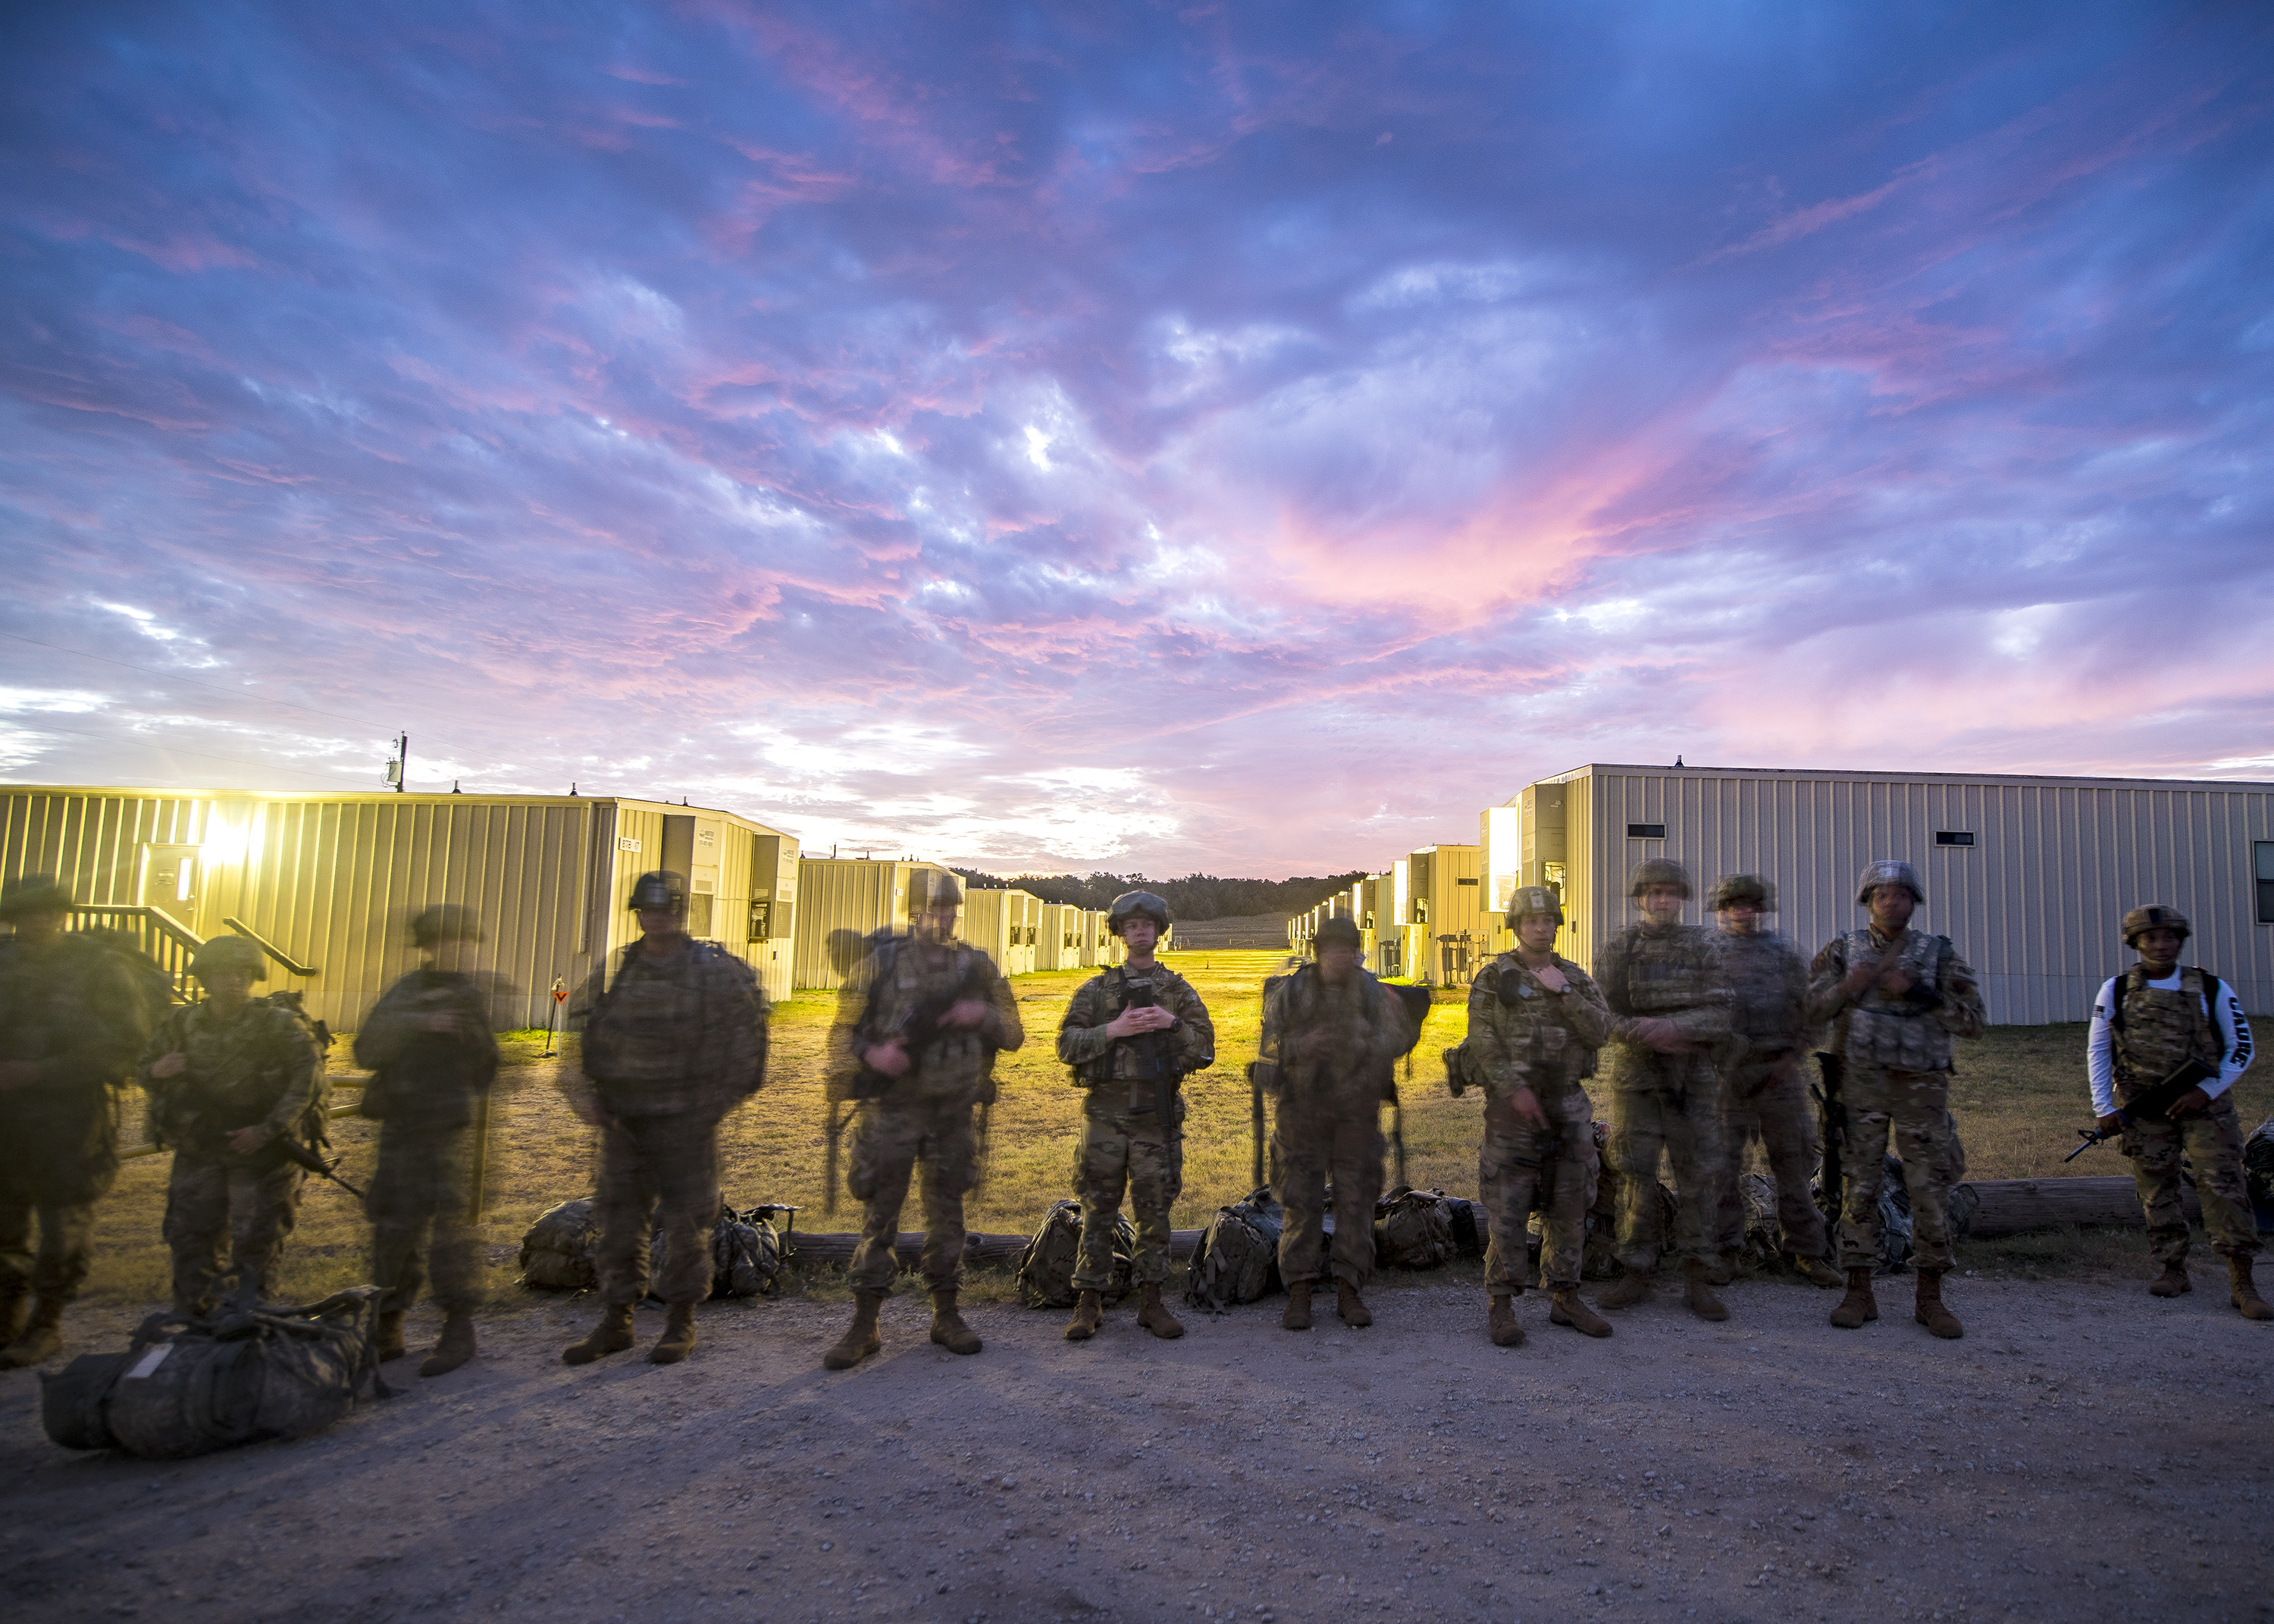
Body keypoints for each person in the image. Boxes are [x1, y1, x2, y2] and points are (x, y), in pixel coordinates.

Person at [561, 871, 769, 1367]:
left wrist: (713, 1106)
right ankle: (617, 1320)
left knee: (686, 1225)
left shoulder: (712, 969)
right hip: (624, 1123)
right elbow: (581, 1033)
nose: (657, 918)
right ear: (639, 914)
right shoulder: (621, 967)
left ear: (680, 912)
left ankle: (680, 1321)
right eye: (647, 910)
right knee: (617, 1221)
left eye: (666, 909)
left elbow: (749, 1045)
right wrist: (582, 1095)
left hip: (685, 1124)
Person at [823, 873, 1023, 1369]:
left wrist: (982, 1015)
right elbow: (840, 1037)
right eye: (931, 909)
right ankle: (864, 1324)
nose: (941, 917)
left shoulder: (976, 967)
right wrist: (875, 1053)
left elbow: (1015, 1033)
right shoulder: (880, 965)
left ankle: (947, 1315)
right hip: (891, 1112)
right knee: (878, 1220)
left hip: (952, 1113)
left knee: (947, 1218)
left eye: (949, 909)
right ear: (913, 912)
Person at [1806, 860, 1984, 1338]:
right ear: (1868, 901)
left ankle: (1930, 1296)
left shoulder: (1938, 953)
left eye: (1901, 894)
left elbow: (1974, 1020)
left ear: (1914, 901)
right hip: (1861, 1083)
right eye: (1882, 894)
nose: (1892, 902)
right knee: (1858, 1186)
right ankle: (1858, 1289)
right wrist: (1849, 985)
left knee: (1928, 1187)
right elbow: (1808, 1009)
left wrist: (1919, 992)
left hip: (1921, 1086)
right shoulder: (1843, 950)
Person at [0, 875, 154, 1368]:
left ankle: (46, 1321)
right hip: (6, 1119)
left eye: (48, 911)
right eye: (27, 913)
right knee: (3, 1223)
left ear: (61, 914)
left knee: (63, 1222)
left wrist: (41, 1071)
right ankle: (7, 1317)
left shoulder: (97, 965)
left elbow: (128, 1043)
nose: (38, 921)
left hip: (69, 1118)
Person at [2087, 904, 2266, 1319]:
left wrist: (2206, 1091)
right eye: (2151, 938)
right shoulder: (2114, 990)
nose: (2161, 945)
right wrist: (2104, 1107)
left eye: (2170, 937)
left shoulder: (2211, 988)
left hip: (2206, 1107)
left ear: (2180, 942)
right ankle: (2173, 1268)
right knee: (2155, 1187)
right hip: (2144, 1106)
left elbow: (2241, 1047)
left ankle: (2243, 1280)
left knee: (2224, 1186)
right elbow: (2098, 1049)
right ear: (2135, 943)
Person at [1055, 890, 1214, 1342]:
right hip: (1104, 1116)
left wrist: (1172, 1023)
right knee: (1097, 1210)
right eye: (1132, 925)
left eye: (1148, 924)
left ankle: (1152, 1301)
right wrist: (1114, 1029)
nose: (1140, 931)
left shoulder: (1178, 991)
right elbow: (1066, 1046)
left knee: (1154, 1212)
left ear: (1159, 932)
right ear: (1122, 934)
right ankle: (1089, 1302)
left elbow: (1206, 1052)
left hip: (1156, 1118)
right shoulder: (1097, 989)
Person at [139, 935, 323, 1317]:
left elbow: (308, 1080)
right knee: (191, 1239)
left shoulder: (279, 1024)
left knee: (257, 1242)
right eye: (223, 972)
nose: (234, 981)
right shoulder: (180, 1023)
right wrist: (157, 1070)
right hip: (200, 1148)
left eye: (242, 973)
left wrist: (266, 1130)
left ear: (254, 977)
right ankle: (195, 1324)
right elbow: (142, 1068)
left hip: (261, 1151)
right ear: (205, 977)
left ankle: (248, 1330)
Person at [354, 904, 500, 1377]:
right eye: (449, 942)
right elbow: (365, 1049)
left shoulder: (470, 997)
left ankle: (458, 1328)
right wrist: (419, 1024)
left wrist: (468, 1040)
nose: (458, 951)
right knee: (394, 1228)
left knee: (451, 1234)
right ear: (430, 947)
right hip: (400, 1129)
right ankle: (389, 1324)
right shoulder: (404, 994)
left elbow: (487, 1068)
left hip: (449, 1133)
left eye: (464, 943)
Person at [1464, 885, 1615, 1345]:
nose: (1540, 927)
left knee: (1570, 1204)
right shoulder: (1493, 977)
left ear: (1557, 924)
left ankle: (1565, 1297)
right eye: (1530, 921)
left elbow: (1601, 1031)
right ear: (1516, 926)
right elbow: (1482, 1041)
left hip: (1568, 1104)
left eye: (1548, 920)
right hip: (1514, 1109)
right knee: (1508, 1208)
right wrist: (1514, 1090)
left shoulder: (1573, 976)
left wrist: (1563, 990)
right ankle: (1502, 1305)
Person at [1594, 859, 1735, 1320]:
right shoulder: (1621, 947)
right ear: (1639, 899)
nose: (1662, 901)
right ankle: (1635, 1270)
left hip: (1692, 1080)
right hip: (1638, 1080)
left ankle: (1698, 1275)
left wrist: (1676, 1027)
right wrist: (1638, 1030)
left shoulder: (1703, 946)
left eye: (1671, 893)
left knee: (1698, 1178)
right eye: (1653, 893)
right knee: (1636, 1177)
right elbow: (1600, 1012)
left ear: (1682, 899)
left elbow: (1721, 1012)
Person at [1259, 914, 1411, 1331]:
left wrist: (1360, 1038)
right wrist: (1302, 1045)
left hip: (1356, 1112)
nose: (1340, 957)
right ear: (1318, 952)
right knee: (1301, 1201)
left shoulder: (1371, 991)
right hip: (1301, 1112)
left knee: (1356, 1201)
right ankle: (1300, 1291)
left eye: (1348, 949)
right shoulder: (1291, 991)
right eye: (1332, 950)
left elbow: (1395, 1038)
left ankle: (1349, 1288)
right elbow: (1267, 1048)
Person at [1707, 875, 1842, 1288]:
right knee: (1723, 1167)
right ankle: (1726, 1251)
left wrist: (1794, 1055)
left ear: (1761, 910)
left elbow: (1813, 1010)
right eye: (1734, 905)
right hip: (1725, 1076)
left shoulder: (1783, 953)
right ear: (1722, 910)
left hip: (1779, 1074)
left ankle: (1806, 1251)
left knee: (1793, 1164)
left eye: (1750, 905)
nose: (1742, 912)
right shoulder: (1707, 955)